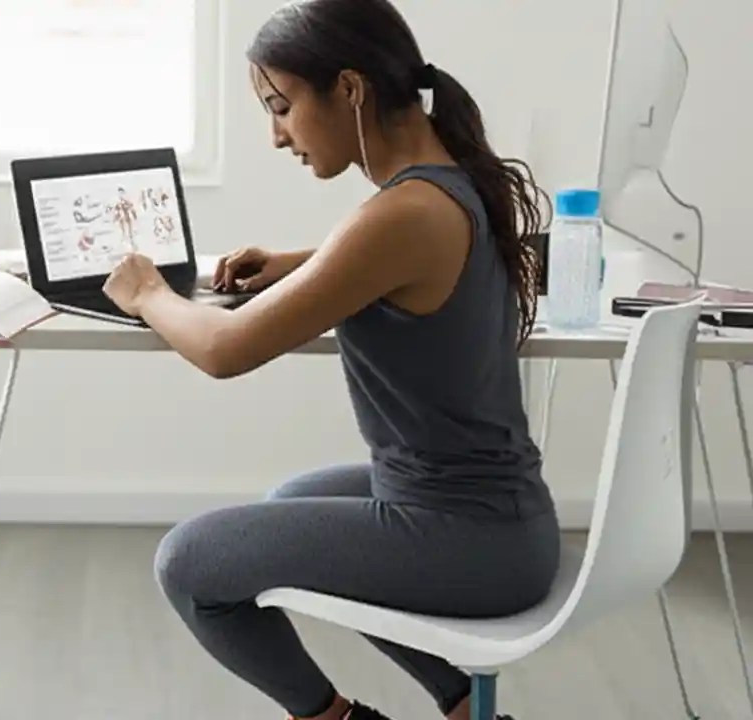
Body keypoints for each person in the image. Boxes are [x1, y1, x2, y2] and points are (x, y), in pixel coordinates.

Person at [100, 1, 557, 719]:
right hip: (498, 518)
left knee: (190, 565)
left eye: (282, 107)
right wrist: (295, 264)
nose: (277, 136)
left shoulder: (401, 215)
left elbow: (225, 350)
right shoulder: (448, 186)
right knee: (293, 501)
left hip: (472, 540)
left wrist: (147, 291)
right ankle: (469, 706)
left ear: (349, 89)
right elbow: (398, 263)